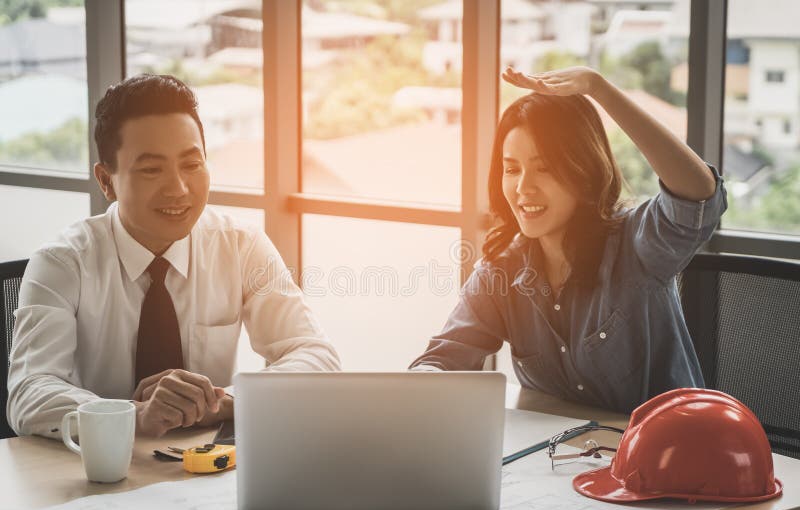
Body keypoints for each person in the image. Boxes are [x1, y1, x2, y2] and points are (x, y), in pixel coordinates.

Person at [7, 74, 340, 439]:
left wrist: (226, 401)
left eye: (192, 164)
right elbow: (29, 393)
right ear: (106, 181)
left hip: (203, 468)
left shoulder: (240, 245)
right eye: (151, 170)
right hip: (95, 471)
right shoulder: (62, 263)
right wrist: (134, 415)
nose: (179, 189)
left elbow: (316, 357)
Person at [410, 66, 727, 413]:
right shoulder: (501, 270)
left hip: (664, 455)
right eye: (512, 168)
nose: (522, 187)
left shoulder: (636, 244)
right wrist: (418, 388)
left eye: (544, 167)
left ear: (583, 170)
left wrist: (599, 89)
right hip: (557, 459)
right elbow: (444, 357)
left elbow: (697, 195)